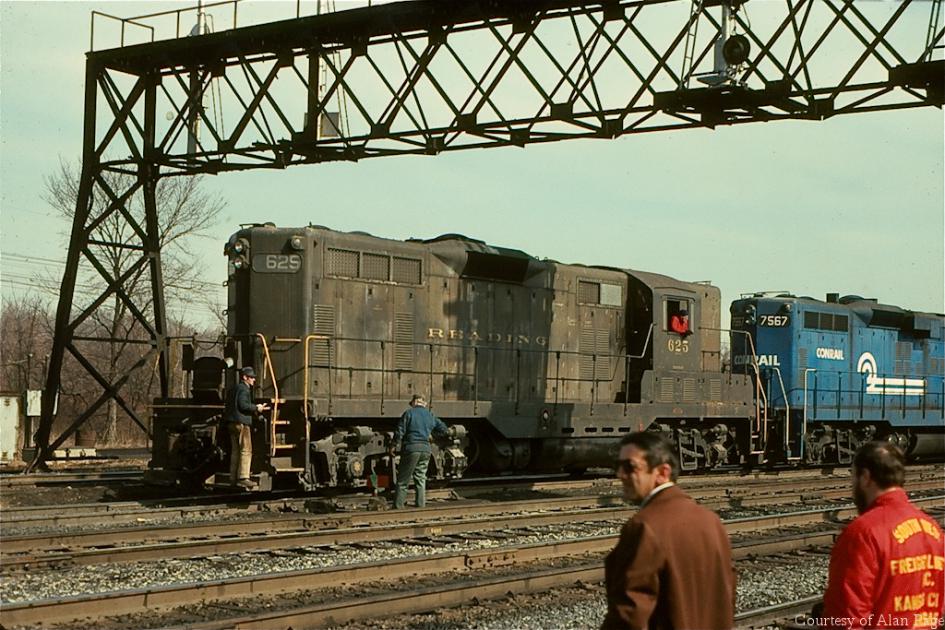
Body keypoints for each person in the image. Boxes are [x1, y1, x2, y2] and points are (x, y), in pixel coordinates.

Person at [602, 431, 735, 630]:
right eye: (618, 466)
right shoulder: (712, 522)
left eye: (630, 467)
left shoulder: (645, 526)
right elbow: (727, 593)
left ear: (662, 473)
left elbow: (630, 613)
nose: (620, 474)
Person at [821, 441, 944, 629]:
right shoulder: (933, 530)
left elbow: (846, 618)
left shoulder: (863, 533)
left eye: (853, 477)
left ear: (866, 477)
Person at [389, 394, 449, 509]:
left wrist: (393, 446)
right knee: (421, 479)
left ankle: (398, 506)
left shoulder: (409, 413)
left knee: (403, 480)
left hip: (411, 449)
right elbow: (444, 430)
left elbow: (400, 431)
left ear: (415, 402)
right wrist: (433, 437)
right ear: (424, 403)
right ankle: (420, 506)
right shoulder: (430, 415)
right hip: (426, 450)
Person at [224, 366, 269, 489]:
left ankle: (233, 477)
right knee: (246, 450)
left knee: (235, 451)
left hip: (232, 423)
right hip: (242, 424)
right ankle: (243, 477)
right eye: (252, 377)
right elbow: (243, 405)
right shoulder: (244, 389)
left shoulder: (233, 389)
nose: (254, 380)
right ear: (245, 377)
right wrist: (257, 408)